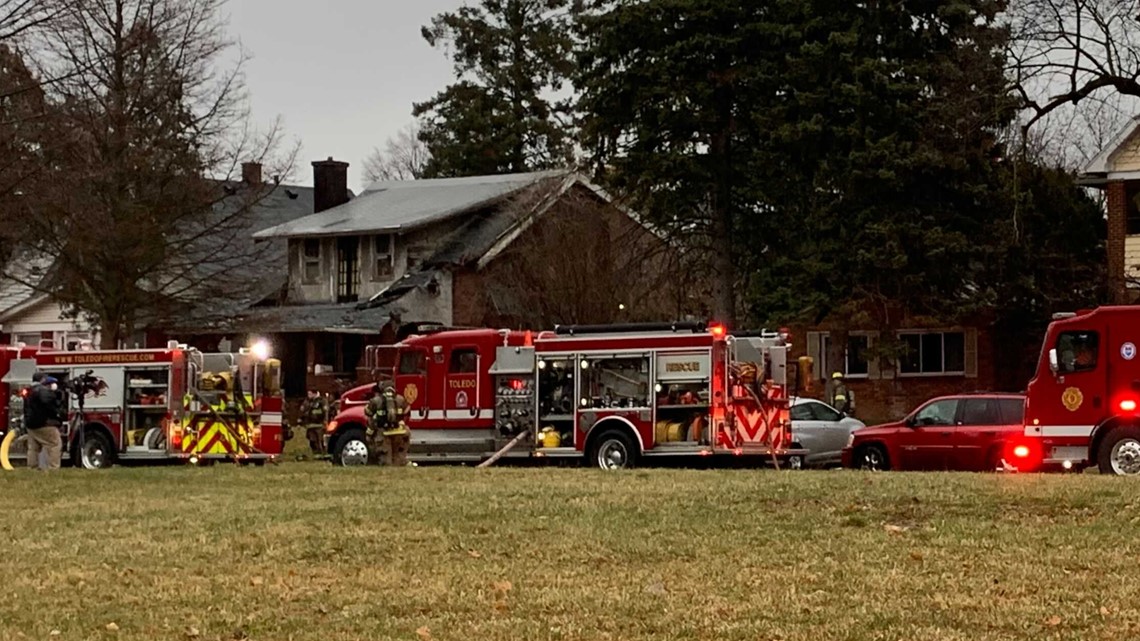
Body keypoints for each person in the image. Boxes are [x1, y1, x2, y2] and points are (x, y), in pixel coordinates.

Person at [24, 372, 64, 471]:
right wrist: (58, 416)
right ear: (42, 380)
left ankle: (32, 468)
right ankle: (53, 468)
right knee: (55, 444)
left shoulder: (29, 391)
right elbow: (50, 406)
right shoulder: (43, 391)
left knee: (33, 448)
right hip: (44, 423)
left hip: (31, 424)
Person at [364, 384, 410, 466]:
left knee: (386, 463)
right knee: (398, 460)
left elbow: (368, 413)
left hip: (383, 434)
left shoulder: (376, 401)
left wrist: (369, 434)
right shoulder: (401, 399)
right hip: (399, 433)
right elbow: (407, 411)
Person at [298, 390, 329, 456]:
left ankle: (323, 453)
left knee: (320, 440)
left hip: (319, 424)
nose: (308, 395)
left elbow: (325, 412)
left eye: (310, 394)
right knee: (312, 439)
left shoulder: (322, 401)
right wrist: (301, 419)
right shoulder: (308, 401)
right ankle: (315, 453)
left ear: (315, 393)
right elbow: (303, 410)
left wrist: (325, 421)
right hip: (310, 424)